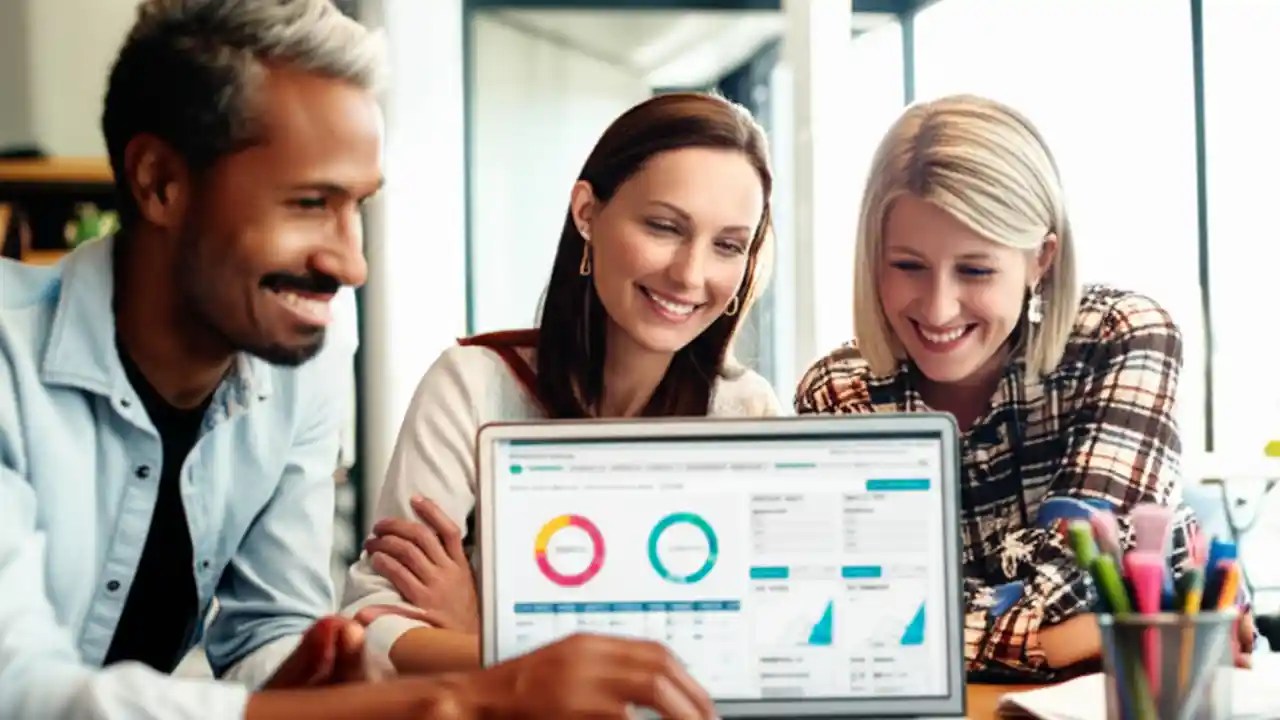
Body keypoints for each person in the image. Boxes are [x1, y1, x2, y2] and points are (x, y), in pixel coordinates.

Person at [0, 1, 717, 718]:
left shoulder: (301, 352)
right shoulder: (10, 356)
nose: (351, 264)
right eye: (310, 203)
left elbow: (270, 631)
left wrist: (346, 678)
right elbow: (22, 692)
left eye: (358, 208)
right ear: (160, 182)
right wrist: (475, 687)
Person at [792, 94, 1253, 681]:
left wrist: (938, 622)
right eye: (907, 265)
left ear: (1042, 259)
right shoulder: (839, 394)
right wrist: (1078, 638)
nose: (938, 308)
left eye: (976, 270)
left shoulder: (1121, 336)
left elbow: (1078, 584)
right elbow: (849, 623)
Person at [340, 91, 783, 674]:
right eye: (664, 227)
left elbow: (749, 653)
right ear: (586, 213)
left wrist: (484, 637)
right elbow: (374, 625)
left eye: (728, 245)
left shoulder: (745, 411)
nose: (691, 274)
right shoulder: (474, 385)